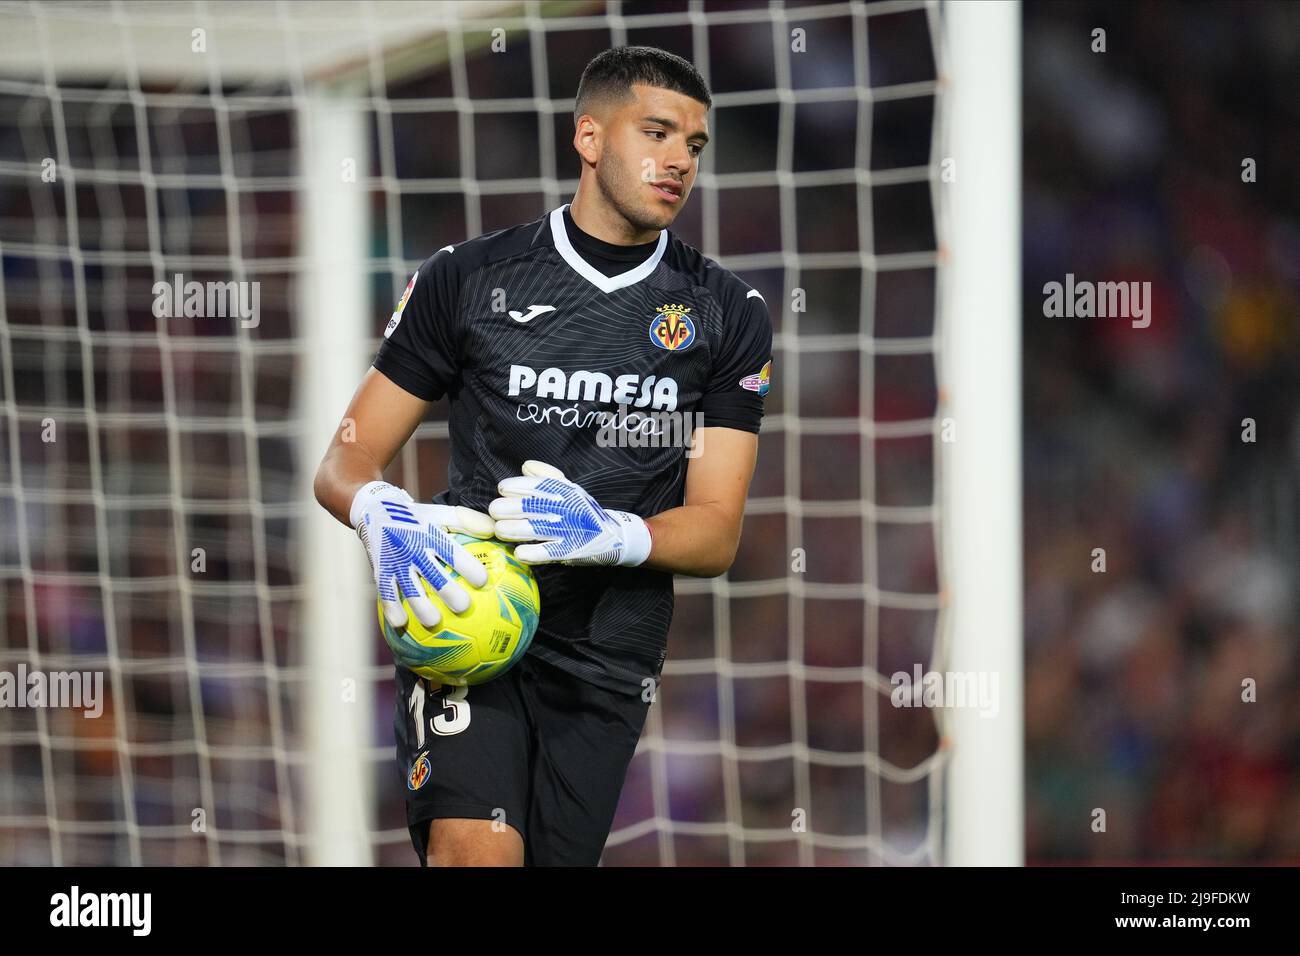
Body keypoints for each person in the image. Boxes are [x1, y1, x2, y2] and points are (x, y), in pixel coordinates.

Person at [313, 45, 772, 866]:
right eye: (657, 133)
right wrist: (383, 517)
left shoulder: (728, 314)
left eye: (694, 147)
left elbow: (717, 532)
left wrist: (610, 533)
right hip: (467, 616)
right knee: (475, 854)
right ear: (589, 138)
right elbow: (344, 463)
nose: (677, 162)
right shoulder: (467, 278)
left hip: (607, 651)